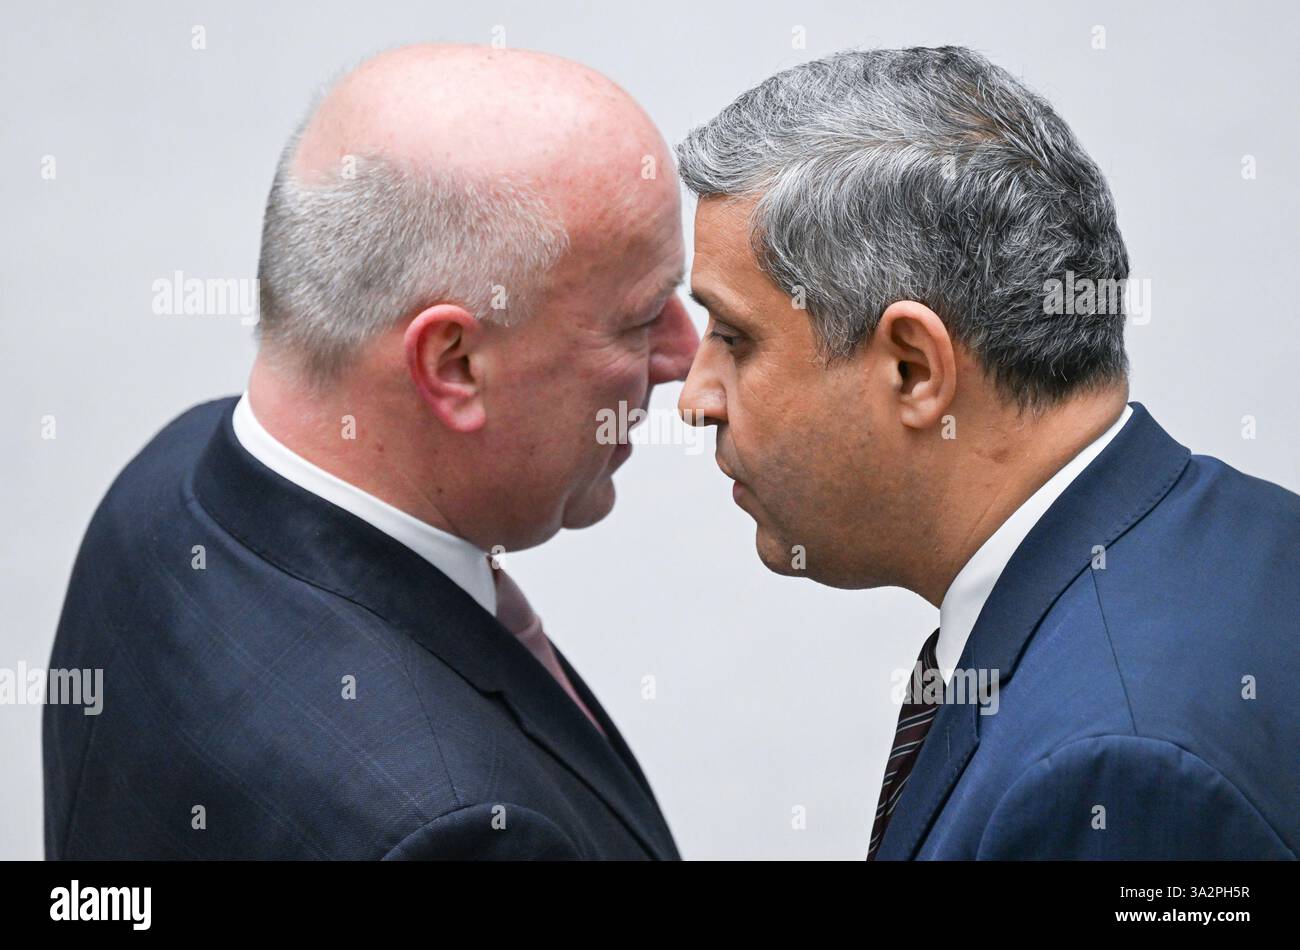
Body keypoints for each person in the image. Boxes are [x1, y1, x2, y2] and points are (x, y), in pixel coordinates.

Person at [44, 43, 697, 860]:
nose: (686, 356)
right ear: (453, 365)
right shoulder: (452, 832)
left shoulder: (165, 484)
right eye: (641, 319)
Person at [676, 46, 1299, 859]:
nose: (694, 400)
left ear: (913, 368)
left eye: (731, 336)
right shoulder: (1244, 535)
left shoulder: (1115, 775)